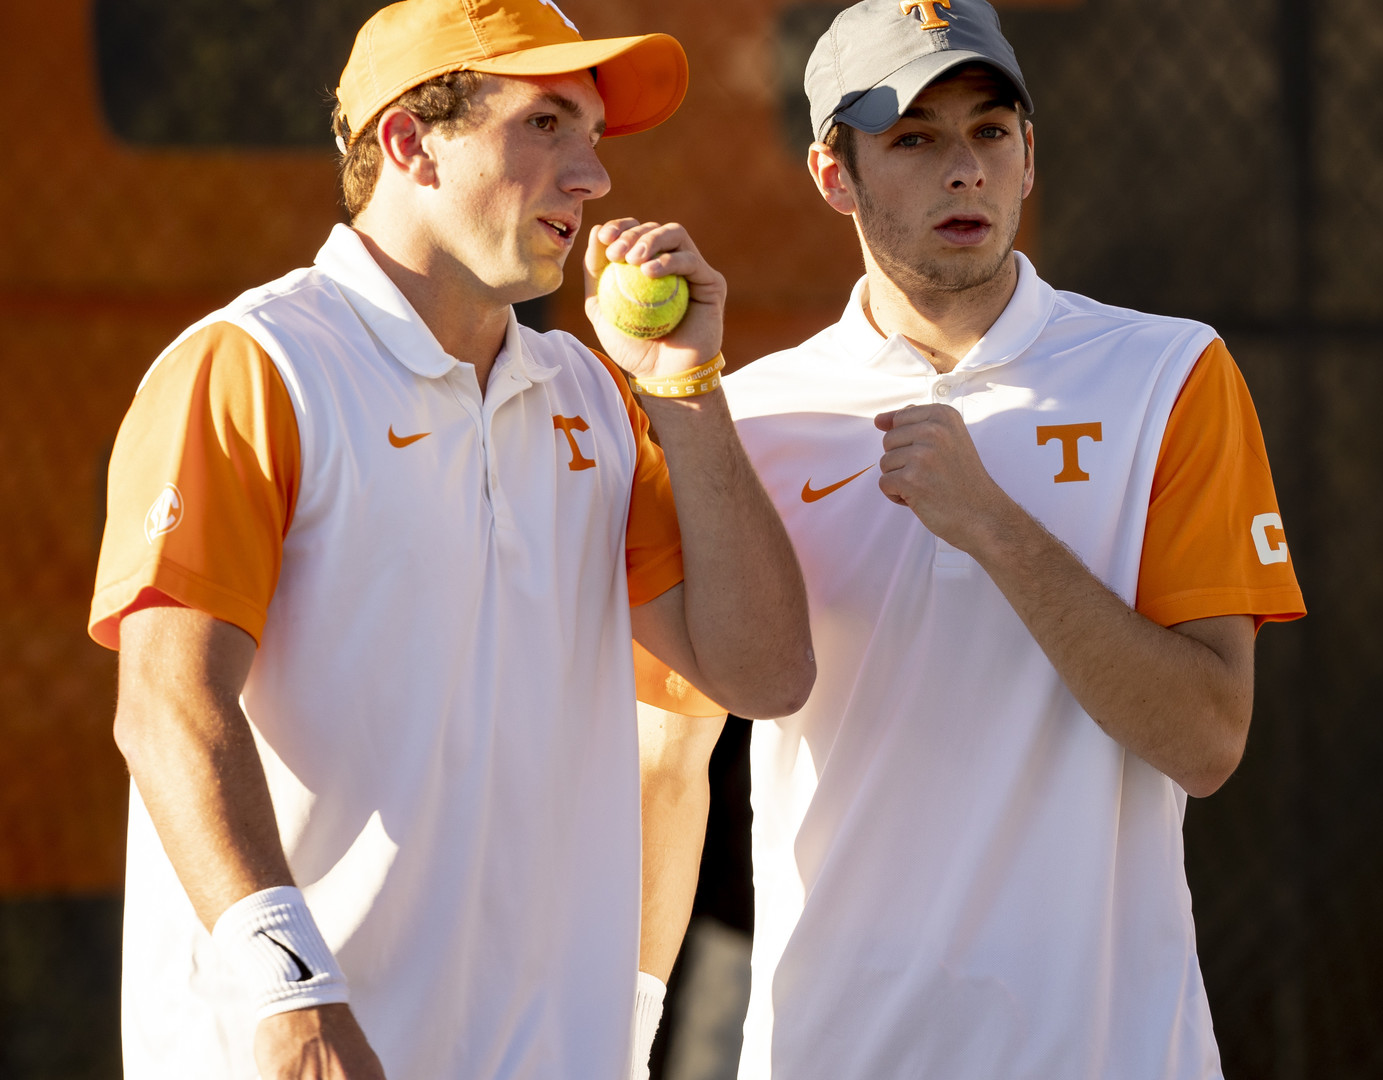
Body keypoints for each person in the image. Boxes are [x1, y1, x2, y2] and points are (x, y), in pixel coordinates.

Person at [88, 0, 812, 1076]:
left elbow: (763, 673)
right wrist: (293, 995)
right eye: (547, 126)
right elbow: (167, 704)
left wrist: (688, 392)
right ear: (407, 141)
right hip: (291, 1049)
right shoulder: (253, 364)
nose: (594, 177)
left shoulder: (601, 400)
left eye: (594, 138)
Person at [695, 1, 1309, 1076]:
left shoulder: (1168, 375)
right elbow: (676, 747)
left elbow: (1208, 740)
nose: (964, 170)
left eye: (990, 131)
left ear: (1030, 157)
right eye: (914, 139)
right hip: (833, 1051)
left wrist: (995, 529)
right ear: (833, 176)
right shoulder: (748, 417)